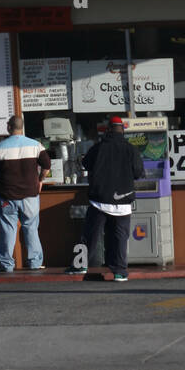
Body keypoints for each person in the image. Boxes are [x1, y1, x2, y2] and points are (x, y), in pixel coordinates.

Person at [69, 115, 143, 282]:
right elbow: (138, 173)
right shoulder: (131, 149)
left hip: (99, 201)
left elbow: (86, 164)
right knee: (119, 237)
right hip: (123, 202)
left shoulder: (98, 148)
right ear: (122, 130)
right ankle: (120, 272)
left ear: (108, 129)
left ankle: (80, 265)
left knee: (89, 235)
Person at [0, 115, 51, 272]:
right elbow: (47, 165)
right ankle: (35, 263)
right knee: (30, 228)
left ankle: (6, 264)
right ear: (22, 127)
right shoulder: (36, 145)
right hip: (30, 195)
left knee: (8, 229)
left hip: (7, 196)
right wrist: (40, 180)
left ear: (9, 127)